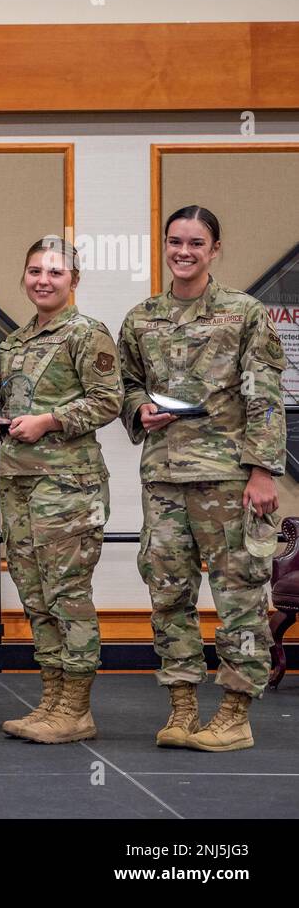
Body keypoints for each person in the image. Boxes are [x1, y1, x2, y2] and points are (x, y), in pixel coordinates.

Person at [118, 205, 283, 752]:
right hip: (164, 479)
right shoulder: (142, 318)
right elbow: (124, 385)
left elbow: (265, 396)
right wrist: (139, 410)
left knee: (238, 596)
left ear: (214, 250)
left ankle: (234, 714)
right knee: (168, 596)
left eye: (195, 243)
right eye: (174, 242)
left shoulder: (244, 313)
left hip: (228, 480)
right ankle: (183, 708)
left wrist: (262, 472)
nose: (183, 252)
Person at [0, 237, 121, 743]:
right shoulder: (15, 342)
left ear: (74, 281)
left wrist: (51, 421)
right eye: (35, 270)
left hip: (67, 486)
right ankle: (52, 701)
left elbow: (109, 401)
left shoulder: (86, 333)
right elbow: (18, 402)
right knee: (36, 598)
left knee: (68, 596)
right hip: (17, 482)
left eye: (55, 272)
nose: (43, 280)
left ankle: (77, 709)